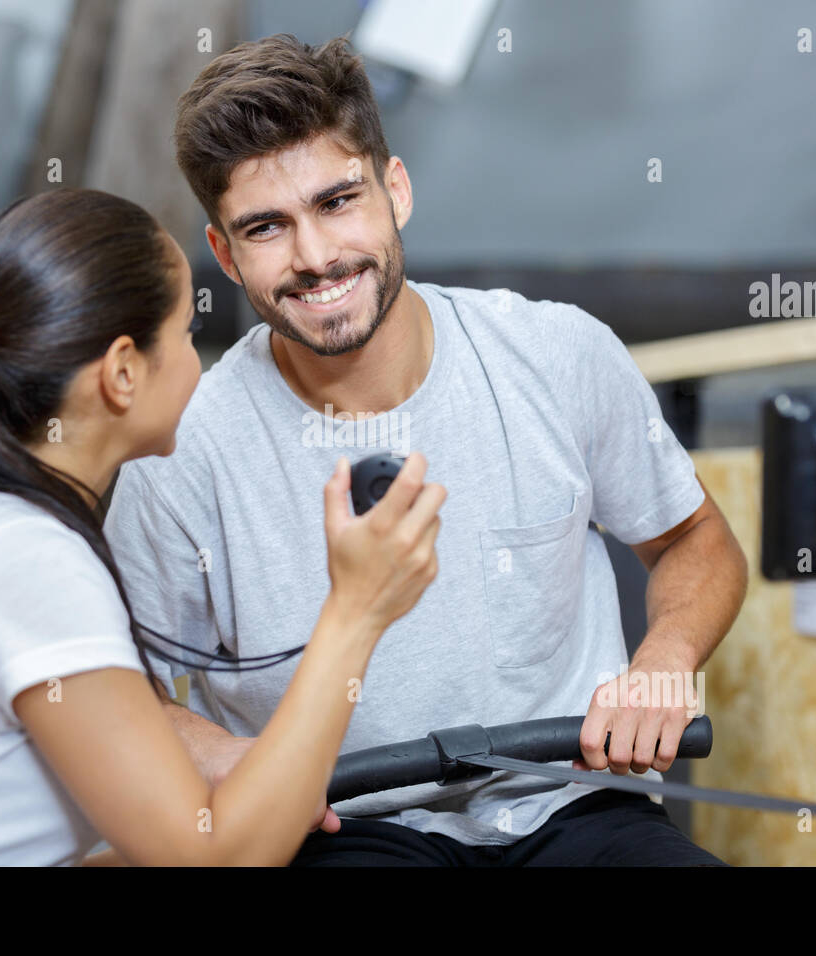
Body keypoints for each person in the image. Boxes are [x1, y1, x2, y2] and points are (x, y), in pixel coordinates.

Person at [102, 35, 748, 865]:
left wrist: (664, 659)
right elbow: (124, 692)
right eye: (267, 227)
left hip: (572, 811)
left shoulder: (557, 354)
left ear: (396, 190)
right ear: (224, 254)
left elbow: (696, 541)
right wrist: (224, 758)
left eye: (338, 201)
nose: (315, 256)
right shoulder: (182, 449)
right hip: (347, 833)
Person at [0, 187, 446, 866]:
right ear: (122, 372)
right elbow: (216, 858)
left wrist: (267, 789)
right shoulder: (27, 560)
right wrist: (355, 612)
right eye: (186, 336)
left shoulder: (6, 536)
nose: (196, 365)